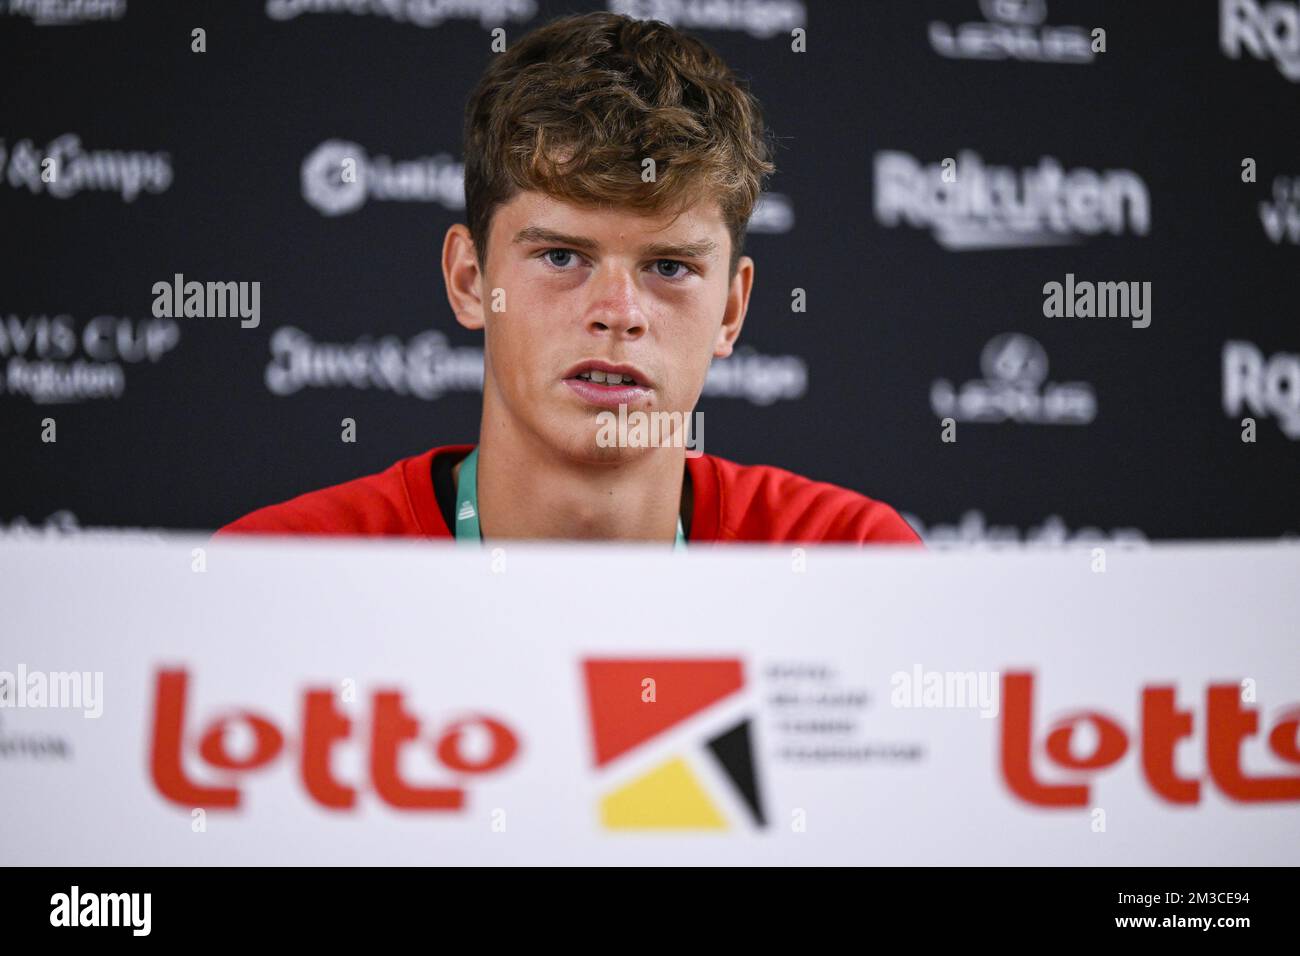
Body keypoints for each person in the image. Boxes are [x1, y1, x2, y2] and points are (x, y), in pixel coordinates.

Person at [219, 12, 918, 547]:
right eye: (561, 257)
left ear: (732, 309)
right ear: (469, 280)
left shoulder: (847, 562)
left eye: (669, 267)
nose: (617, 314)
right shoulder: (275, 574)